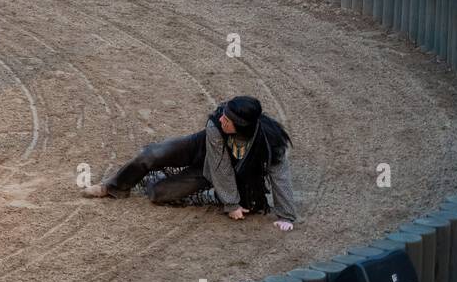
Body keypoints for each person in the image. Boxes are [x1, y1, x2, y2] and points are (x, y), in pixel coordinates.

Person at [81, 95, 296, 228]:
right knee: (152, 154)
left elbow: (280, 176)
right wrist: (231, 203)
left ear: (241, 127)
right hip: (201, 148)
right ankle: (114, 187)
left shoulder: (270, 142)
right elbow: (220, 163)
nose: (221, 119)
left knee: (158, 194)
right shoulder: (216, 126)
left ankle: (162, 181)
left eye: (228, 120)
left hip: (221, 173)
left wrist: (286, 216)